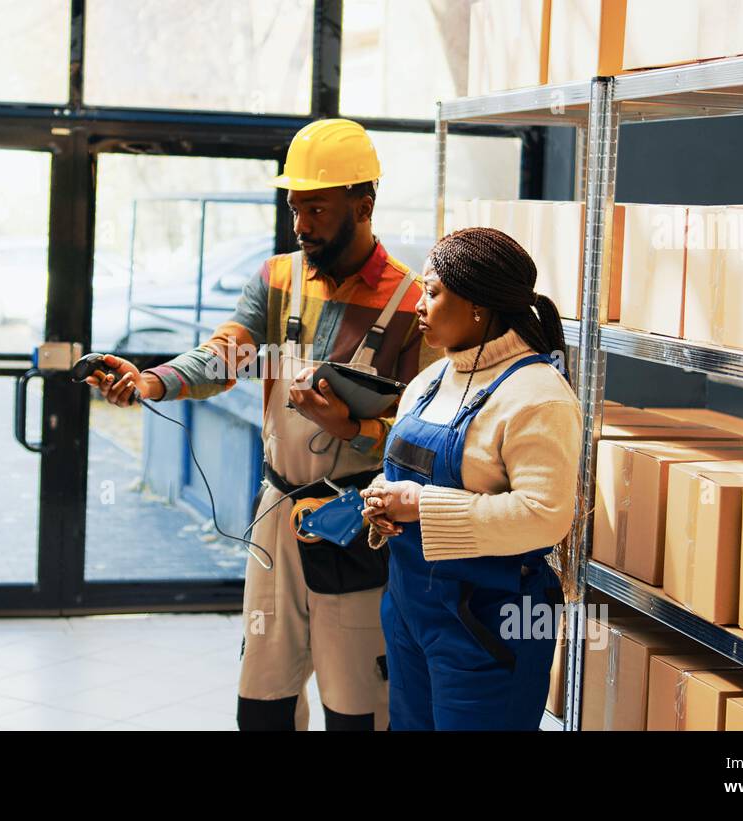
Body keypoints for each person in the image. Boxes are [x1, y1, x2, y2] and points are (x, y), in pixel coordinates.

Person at [87, 119, 437, 731]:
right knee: (262, 700)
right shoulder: (276, 279)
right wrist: (150, 381)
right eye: (295, 207)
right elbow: (224, 355)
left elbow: (422, 442)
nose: (300, 224)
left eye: (317, 209)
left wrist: (353, 429)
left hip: (358, 523)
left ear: (364, 205)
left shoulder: (412, 303)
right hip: (276, 516)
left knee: (358, 706)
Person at [360, 226, 582, 731]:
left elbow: (544, 516)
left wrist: (420, 506)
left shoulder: (537, 393)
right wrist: (383, 502)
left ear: (478, 304)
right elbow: (402, 474)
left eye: (433, 292)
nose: (418, 304)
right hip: (410, 612)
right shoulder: (431, 379)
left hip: (490, 621)